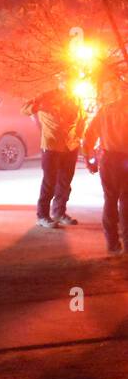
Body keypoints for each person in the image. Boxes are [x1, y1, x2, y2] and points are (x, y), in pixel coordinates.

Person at [22, 69, 87, 228]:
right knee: (49, 182)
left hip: (70, 146)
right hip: (51, 146)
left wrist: (78, 136)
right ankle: (42, 216)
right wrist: (38, 105)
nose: (69, 84)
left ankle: (59, 212)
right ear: (60, 82)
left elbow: (82, 119)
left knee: (65, 183)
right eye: (66, 81)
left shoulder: (76, 99)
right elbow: (25, 109)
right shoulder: (47, 97)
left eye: (71, 81)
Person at [82, 77, 128, 255]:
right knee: (126, 200)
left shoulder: (105, 111)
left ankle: (112, 244)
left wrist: (89, 159)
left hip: (108, 160)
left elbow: (88, 137)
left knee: (110, 200)